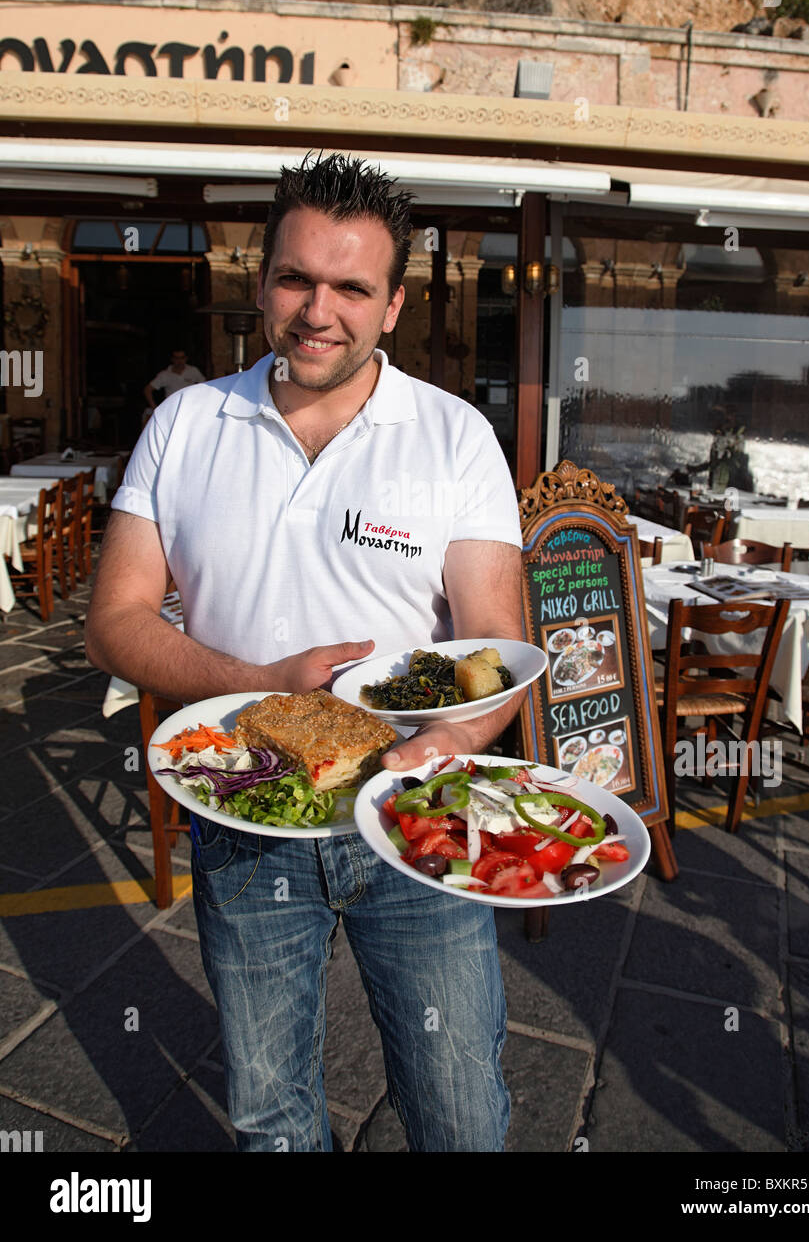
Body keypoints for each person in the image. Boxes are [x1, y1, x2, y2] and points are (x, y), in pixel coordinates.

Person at [85, 152, 527, 1153]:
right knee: (269, 1114)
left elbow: (496, 645)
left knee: (459, 1111)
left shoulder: (454, 437)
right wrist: (260, 683)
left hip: (415, 813)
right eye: (295, 278)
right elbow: (112, 621)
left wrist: (444, 741)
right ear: (261, 281)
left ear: (395, 303)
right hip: (245, 804)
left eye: (350, 286)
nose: (316, 310)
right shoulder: (187, 424)